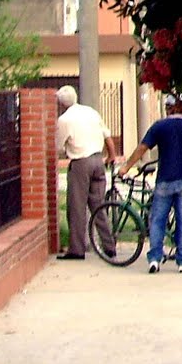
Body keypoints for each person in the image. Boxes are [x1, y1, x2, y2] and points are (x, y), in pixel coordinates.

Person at [117, 97, 182, 274]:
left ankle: (154, 259)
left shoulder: (159, 126)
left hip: (164, 180)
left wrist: (126, 167)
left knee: (157, 220)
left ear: (167, 109)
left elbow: (142, 148)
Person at [55, 85, 118, 260]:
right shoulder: (91, 112)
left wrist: (64, 150)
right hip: (98, 159)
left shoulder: (64, 119)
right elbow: (107, 135)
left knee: (77, 207)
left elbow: (58, 146)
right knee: (98, 205)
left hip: (80, 162)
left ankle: (77, 249)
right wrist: (111, 155)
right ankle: (109, 246)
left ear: (61, 104)